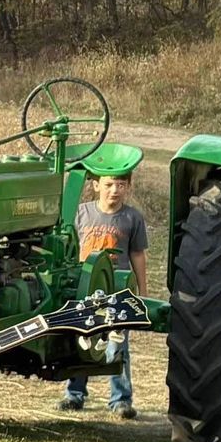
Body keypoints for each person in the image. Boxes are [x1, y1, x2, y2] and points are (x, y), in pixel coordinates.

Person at [59, 144, 150, 419]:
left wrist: (142, 292)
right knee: (81, 341)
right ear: (96, 185)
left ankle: (120, 400)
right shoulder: (81, 214)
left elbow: (138, 255)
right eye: (109, 184)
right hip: (85, 290)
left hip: (117, 293)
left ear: (127, 188)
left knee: (116, 345)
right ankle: (74, 395)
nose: (115, 190)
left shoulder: (132, 218)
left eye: (121, 185)